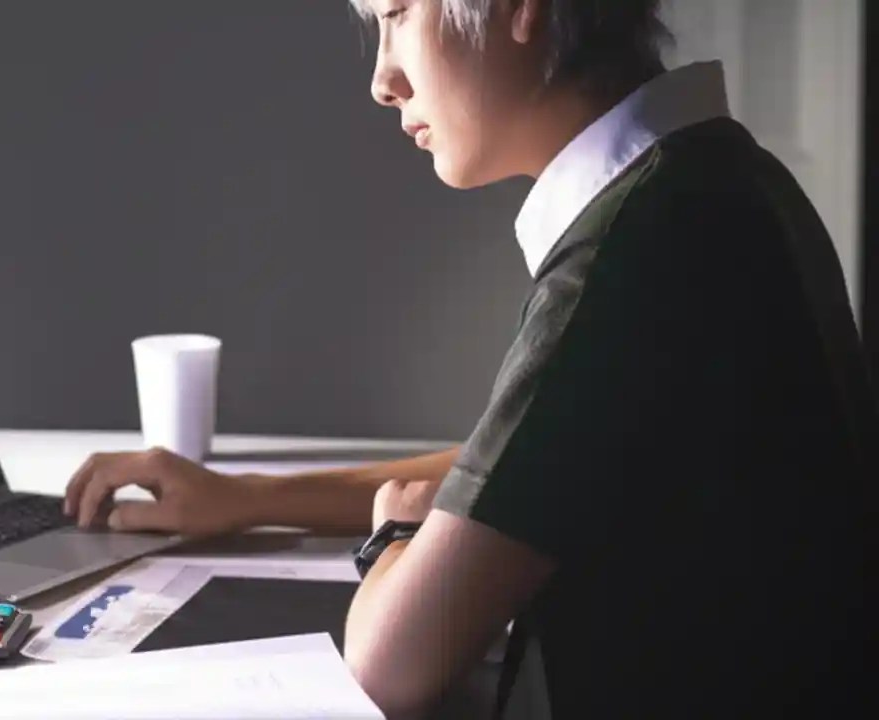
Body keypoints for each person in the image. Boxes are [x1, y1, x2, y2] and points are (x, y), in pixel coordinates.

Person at [65, 0, 875, 717]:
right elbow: (517, 480)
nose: (384, 80)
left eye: (397, 16)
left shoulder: (635, 247)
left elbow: (388, 667)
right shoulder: (719, 179)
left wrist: (392, 544)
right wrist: (245, 500)